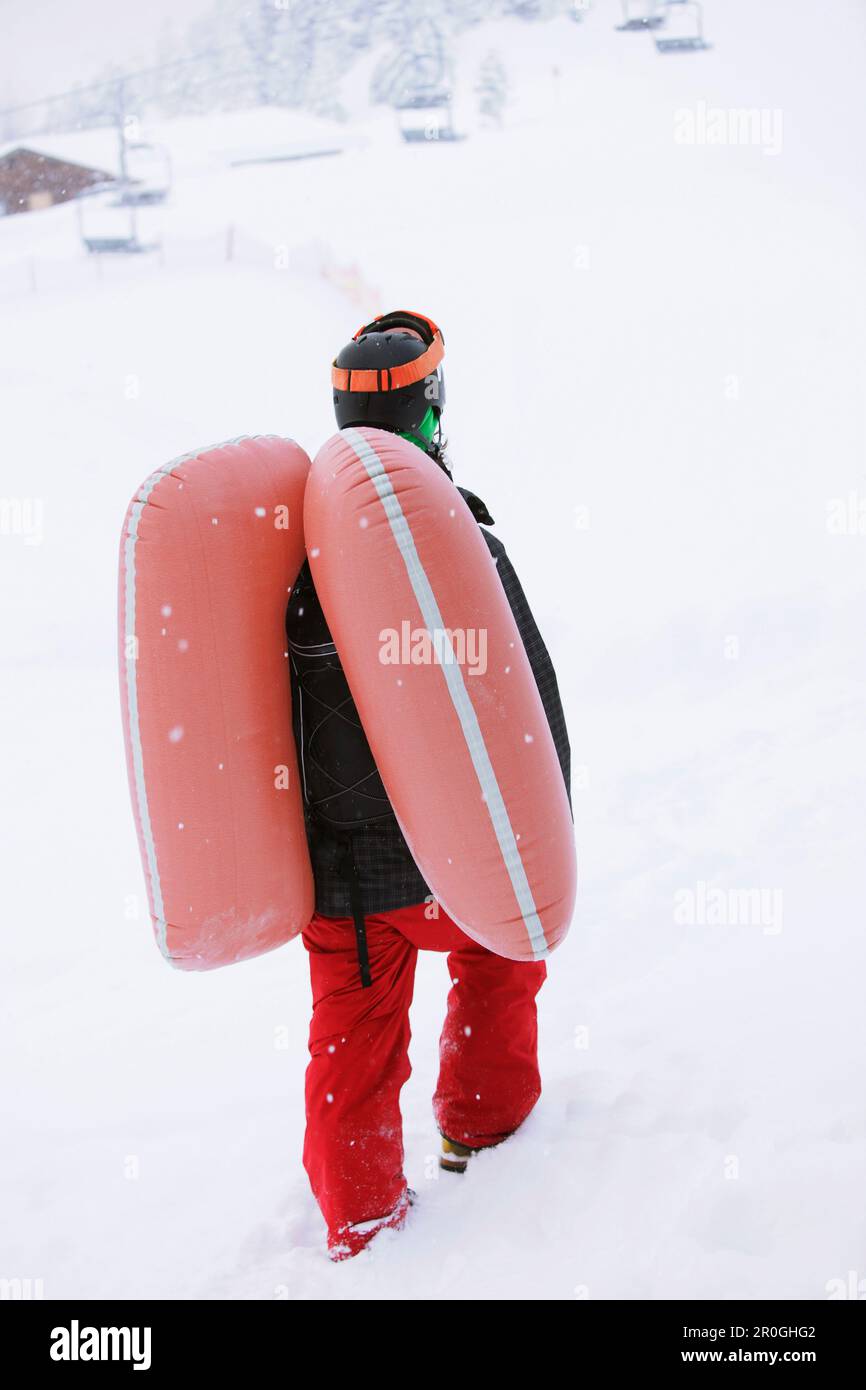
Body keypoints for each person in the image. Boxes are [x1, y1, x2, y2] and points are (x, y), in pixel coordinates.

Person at [286, 310, 571, 1260]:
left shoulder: (294, 556)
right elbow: (525, 705)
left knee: (349, 1049)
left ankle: (360, 1226)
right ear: (431, 415)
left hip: (338, 886)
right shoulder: (456, 544)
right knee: (505, 951)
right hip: (443, 868)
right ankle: (480, 1126)